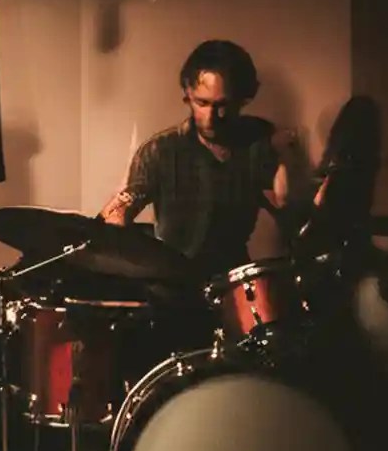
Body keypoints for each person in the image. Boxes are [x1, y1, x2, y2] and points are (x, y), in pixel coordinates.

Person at [98, 40, 292, 347]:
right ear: (187, 94)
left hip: (234, 296)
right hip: (169, 300)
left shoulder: (257, 144)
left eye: (222, 105)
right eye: (202, 103)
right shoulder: (160, 151)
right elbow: (117, 213)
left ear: (245, 98)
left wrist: (285, 158)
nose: (212, 116)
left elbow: (288, 208)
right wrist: (108, 232)